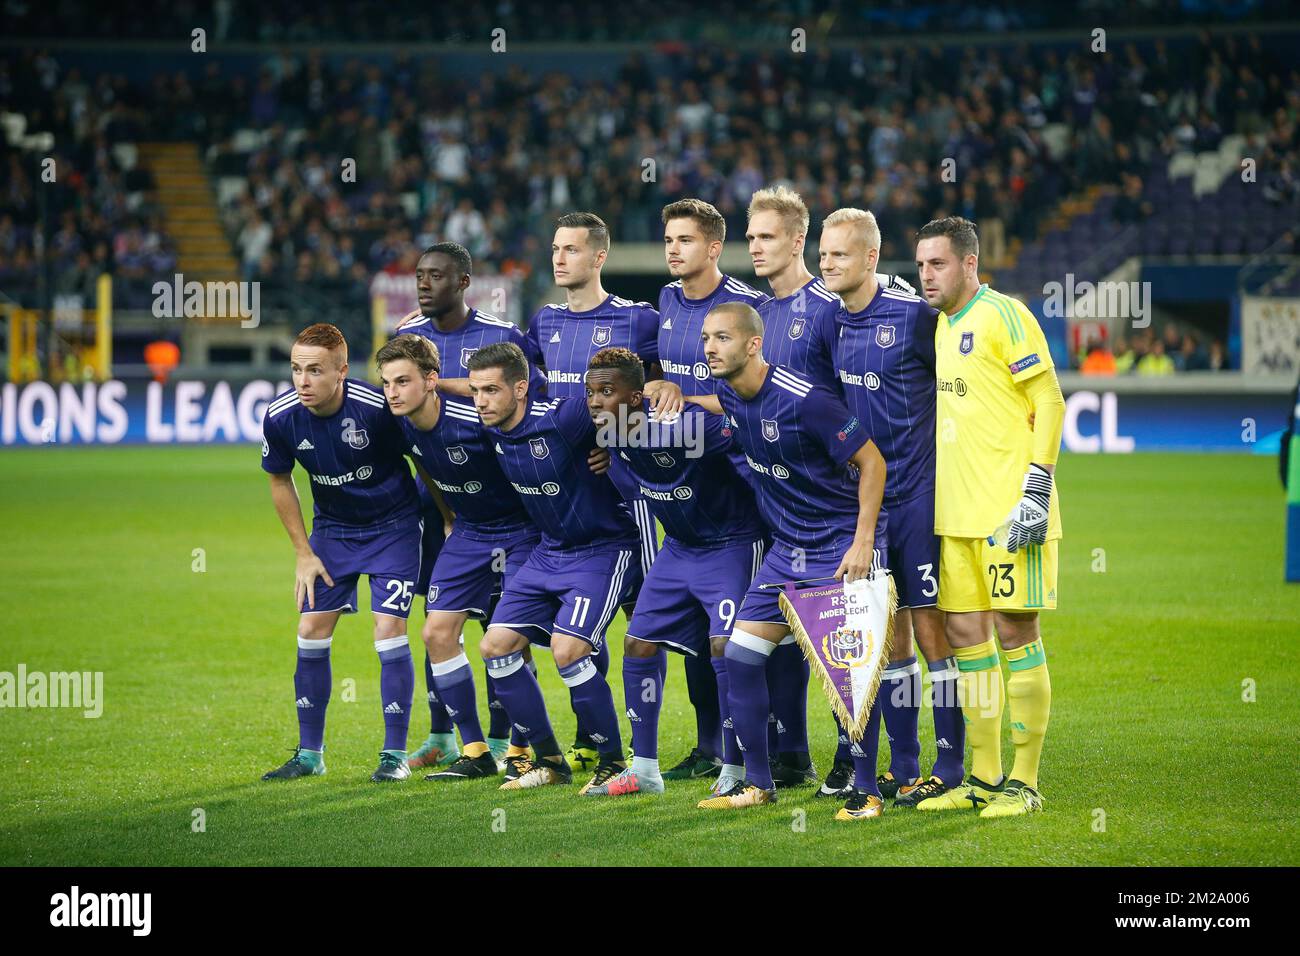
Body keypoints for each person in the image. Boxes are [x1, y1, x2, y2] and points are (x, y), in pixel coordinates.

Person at [694, 303, 891, 821]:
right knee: (739, 656)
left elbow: (872, 461)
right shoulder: (732, 398)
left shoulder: (808, 401)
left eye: (722, 338)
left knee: (849, 672)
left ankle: (866, 788)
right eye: (706, 338)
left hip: (837, 546)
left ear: (753, 344)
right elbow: (716, 410)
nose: (710, 347)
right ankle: (759, 783)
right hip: (786, 551)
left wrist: (862, 540)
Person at [914, 216, 1062, 817]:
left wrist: (1038, 488)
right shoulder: (941, 326)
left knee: (1015, 632)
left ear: (969, 263)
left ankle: (1025, 783)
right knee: (967, 640)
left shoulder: (1005, 314)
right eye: (920, 264)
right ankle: (983, 776)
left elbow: (1048, 398)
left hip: (1010, 514)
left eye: (938, 264)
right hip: (956, 517)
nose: (926, 275)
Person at [821, 207, 966, 808]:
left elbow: (960, 390)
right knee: (889, 640)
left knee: (931, 630)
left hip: (916, 500)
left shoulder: (913, 319)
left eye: (839, 255)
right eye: (823, 254)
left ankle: (952, 764)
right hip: (866, 506)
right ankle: (905, 768)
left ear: (872, 258)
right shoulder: (831, 322)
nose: (827, 264)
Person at [582, 347, 767, 798]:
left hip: (732, 543)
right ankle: (644, 769)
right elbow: (636, 487)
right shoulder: (611, 432)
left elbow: (747, 439)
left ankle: (736, 768)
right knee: (638, 643)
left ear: (638, 395)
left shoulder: (688, 426)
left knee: (725, 649)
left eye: (606, 392)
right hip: (680, 549)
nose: (594, 401)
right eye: (590, 392)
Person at [393, 241, 546, 771]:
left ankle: (511, 741)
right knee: (438, 624)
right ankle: (447, 738)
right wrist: (443, 508)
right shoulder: (406, 338)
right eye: (419, 275)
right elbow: (415, 437)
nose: (423, 284)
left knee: (503, 627)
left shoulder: (503, 337)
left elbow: (530, 407)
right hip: (446, 511)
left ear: (463, 281)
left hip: (508, 504)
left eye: (436, 275)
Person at [469, 342, 643, 793]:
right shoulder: (490, 429)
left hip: (603, 549)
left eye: (490, 390)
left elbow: (624, 399)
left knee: (568, 650)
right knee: (495, 647)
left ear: (521, 388)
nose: (481, 401)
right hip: (548, 552)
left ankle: (614, 764)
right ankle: (549, 761)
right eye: (475, 391)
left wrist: (618, 447)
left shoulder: (564, 417)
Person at [524, 211, 663, 772]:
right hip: (567, 496)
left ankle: (688, 746)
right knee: (583, 615)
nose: (560, 259)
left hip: (629, 494)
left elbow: (661, 391)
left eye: (572, 250)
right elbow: (523, 392)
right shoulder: (543, 323)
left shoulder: (639, 320)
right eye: (556, 249)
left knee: (648, 617)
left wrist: (623, 443)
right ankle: (594, 737)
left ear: (599, 257)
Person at [260, 323, 423, 784]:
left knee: (388, 629)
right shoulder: (281, 416)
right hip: (332, 532)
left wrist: (446, 519)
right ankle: (309, 754)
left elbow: (423, 458)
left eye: (314, 371)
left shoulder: (376, 409)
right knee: (310, 628)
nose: (302, 381)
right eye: (296, 369)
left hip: (394, 528)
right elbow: (278, 479)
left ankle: (394, 756)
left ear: (342, 372)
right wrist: (302, 552)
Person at [651, 198, 768, 781]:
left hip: (742, 485)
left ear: (714, 247)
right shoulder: (667, 302)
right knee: (698, 631)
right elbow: (654, 375)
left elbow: (757, 392)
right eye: (669, 239)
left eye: (685, 240)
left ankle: (773, 749)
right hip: (685, 489)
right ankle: (706, 745)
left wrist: (685, 398)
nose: (673, 249)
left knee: (748, 629)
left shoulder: (748, 307)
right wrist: (657, 385)